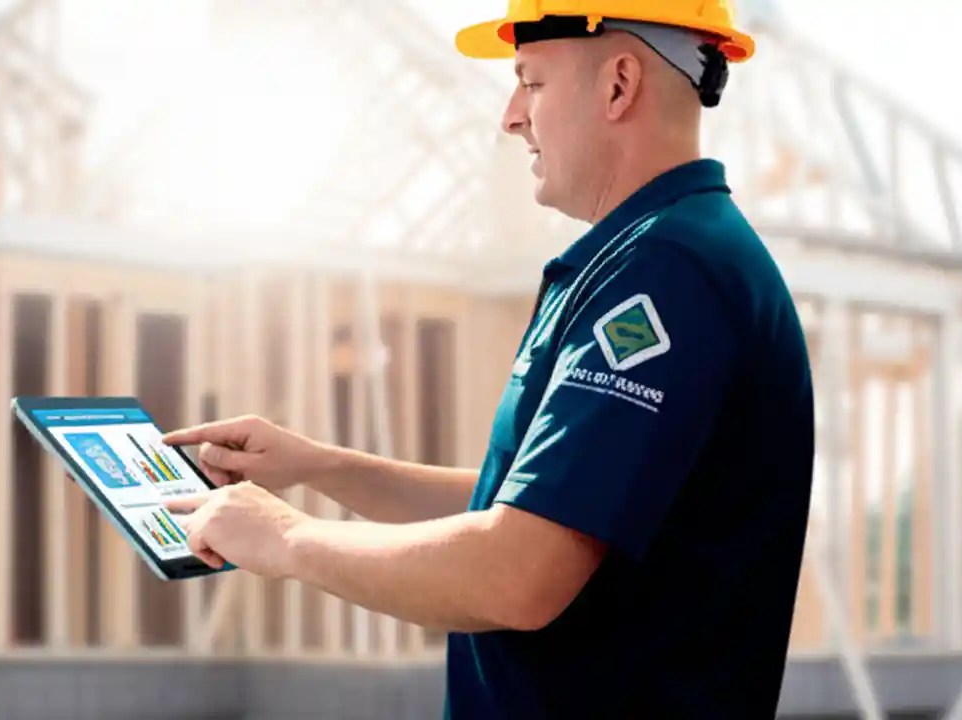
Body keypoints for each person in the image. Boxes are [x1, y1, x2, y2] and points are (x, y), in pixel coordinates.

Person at [162, 1, 815, 716]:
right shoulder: (657, 257)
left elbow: (518, 572)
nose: (510, 116)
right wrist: (319, 467)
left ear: (619, 84)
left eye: (531, 83)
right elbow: (545, 506)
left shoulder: (666, 274)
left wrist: (286, 537)